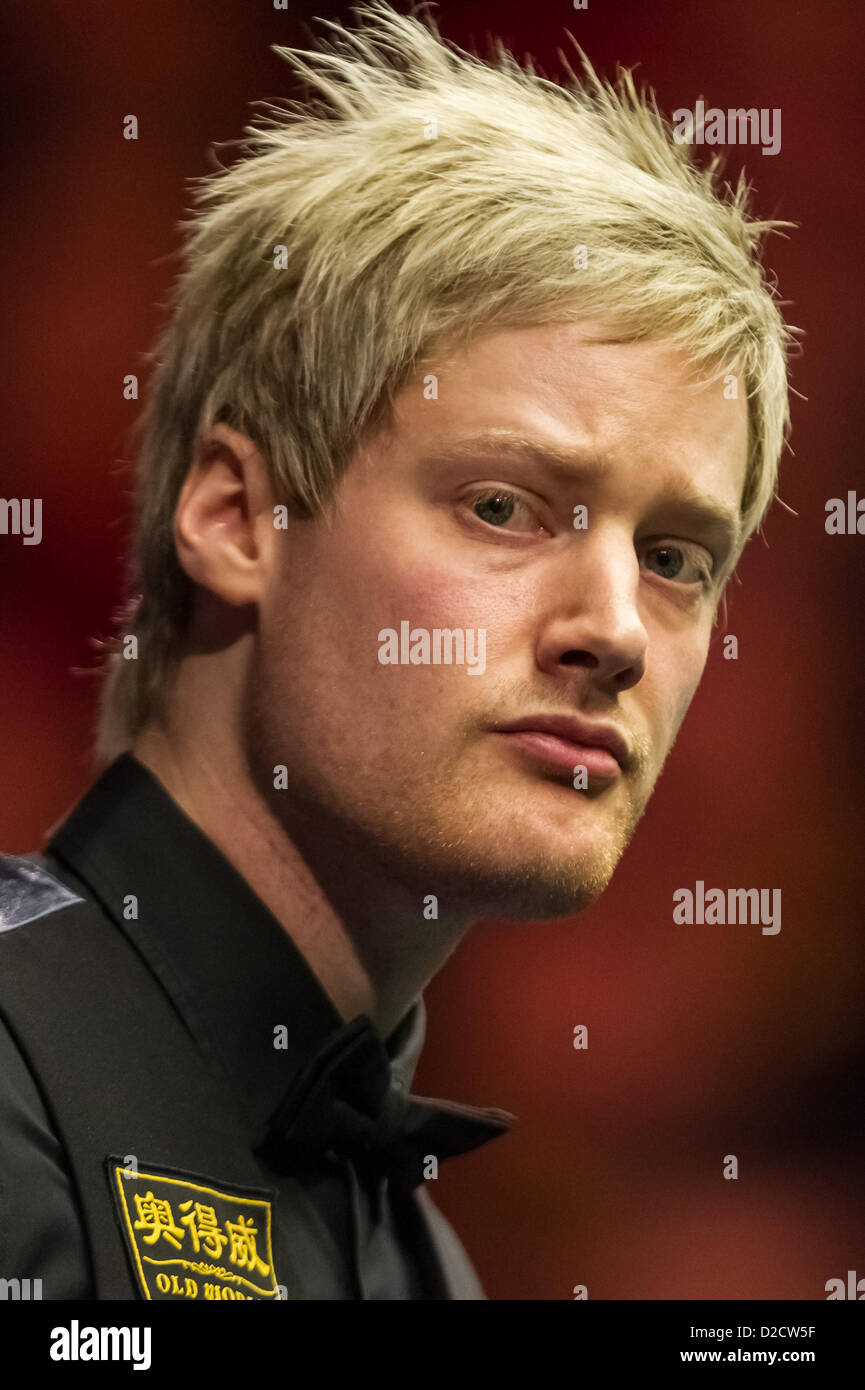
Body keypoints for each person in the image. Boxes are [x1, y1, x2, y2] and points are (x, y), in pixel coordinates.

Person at [0, 0, 793, 1300]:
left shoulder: (428, 1258)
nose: (611, 630)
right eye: (501, 506)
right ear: (235, 516)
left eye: (673, 558)